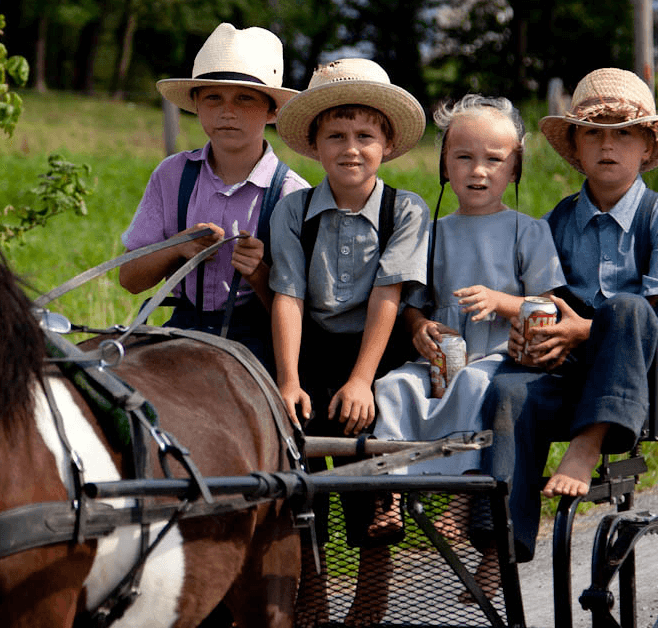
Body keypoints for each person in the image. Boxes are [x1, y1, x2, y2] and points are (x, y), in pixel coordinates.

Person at [480, 68, 658, 564]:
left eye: (623, 134)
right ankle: (500, 539)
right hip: (567, 367)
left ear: (647, 148)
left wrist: (583, 329)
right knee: (508, 390)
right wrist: (530, 330)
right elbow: (534, 295)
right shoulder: (559, 221)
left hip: (641, 367)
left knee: (627, 308)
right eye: (594, 135)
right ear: (577, 151)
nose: (609, 146)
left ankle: (588, 443)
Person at [370, 94, 565, 600]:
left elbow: (547, 303)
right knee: (392, 388)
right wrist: (416, 327)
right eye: (463, 157)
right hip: (442, 354)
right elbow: (413, 300)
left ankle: (460, 499)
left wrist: (502, 301)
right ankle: (389, 492)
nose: (478, 171)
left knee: (480, 387)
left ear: (515, 168)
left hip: (501, 353)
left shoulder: (529, 231)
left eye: (494, 160)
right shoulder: (432, 234)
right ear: (444, 165)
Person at [269, 58, 429, 627]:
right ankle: (309, 604)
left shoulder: (404, 209)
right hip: (309, 349)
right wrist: (288, 378)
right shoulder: (293, 211)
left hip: (377, 350)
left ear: (387, 143)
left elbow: (390, 293)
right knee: (299, 473)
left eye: (365, 135)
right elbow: (286, 295)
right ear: (314, 145)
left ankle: (367, 610)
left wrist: (362, 380)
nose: (351, 148)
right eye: (335, 135)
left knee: (365, 461)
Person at [119, 23, 309, 369]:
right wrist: (175, 247)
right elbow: (130, 279)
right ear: (196, 105)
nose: (227, 112)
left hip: (259, 345)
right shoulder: (172, 175)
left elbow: (301, 313)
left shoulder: (291, 194)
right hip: (181, 329)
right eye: (213, 98)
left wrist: (258, 273)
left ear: (272, 111)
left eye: (244, 98)